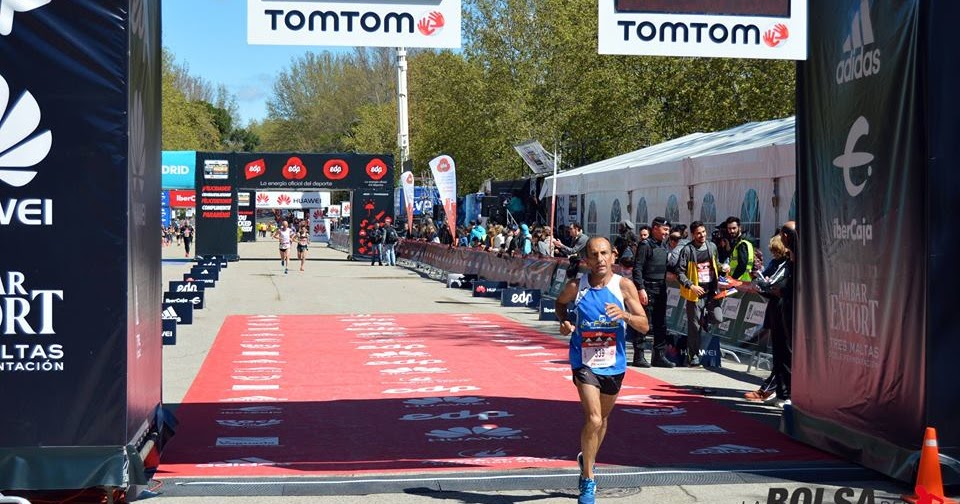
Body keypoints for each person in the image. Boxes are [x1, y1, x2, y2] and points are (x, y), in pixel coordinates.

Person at [555, 237, 649, 504]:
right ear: (586, 259)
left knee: (603, 420)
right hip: (584, 362)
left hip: (614, 363)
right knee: (594, 419)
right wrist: (564, 322)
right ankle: (588, 479)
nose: (600, 259)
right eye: (594, 255)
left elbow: (644, 326)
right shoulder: (577, 286)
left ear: (613, 256)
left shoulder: (624, 286)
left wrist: (626, 316)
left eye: (604, 253)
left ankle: (588, 458)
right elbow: (560, 305)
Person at [741, 234, 789, 402]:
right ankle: (776, 388)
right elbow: (765, 282)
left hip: (784, 310)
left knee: (784, 354)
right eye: (773, 252)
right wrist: (760, 282)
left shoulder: (787, 264)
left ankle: (777, 389)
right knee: (778, 353)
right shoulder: (775, 263)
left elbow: (781, 286)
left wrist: (769, 286)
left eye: (776, 252)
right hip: (775, 310)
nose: (774, 255)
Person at [675, 221, 722, 367]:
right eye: (698, 233)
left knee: (718, 318)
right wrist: (691, 286)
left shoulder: (712, 246)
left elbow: (716, 265)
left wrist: (723, 268)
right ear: (693, 235)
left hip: (711, 291)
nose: (702, 235)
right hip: (695, 293)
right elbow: (679, 272)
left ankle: (706, 319)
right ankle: (693, 355)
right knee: (694, 327)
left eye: (703, 232)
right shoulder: (687, 250)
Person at [631, 216, 676, 368]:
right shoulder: (645, 245)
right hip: (647, 288)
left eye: (668, 230)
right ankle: (639, 356)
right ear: (655, 228)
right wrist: (641, 288)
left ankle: (659, 356)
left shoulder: (663, 246)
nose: (667, 233)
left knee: (661, 324)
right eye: (665, 229)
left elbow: (666, 266)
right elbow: (637, 268)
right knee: (644, 323)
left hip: (661, 288)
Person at [724, 217, 756, 282]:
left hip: (740, 280)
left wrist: (733, 279)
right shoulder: (741, 242)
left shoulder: (742, 244)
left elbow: (742, 265)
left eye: (734, 228)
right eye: (729, 229)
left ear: (739, 228)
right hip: (744, 280)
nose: (731, 231)